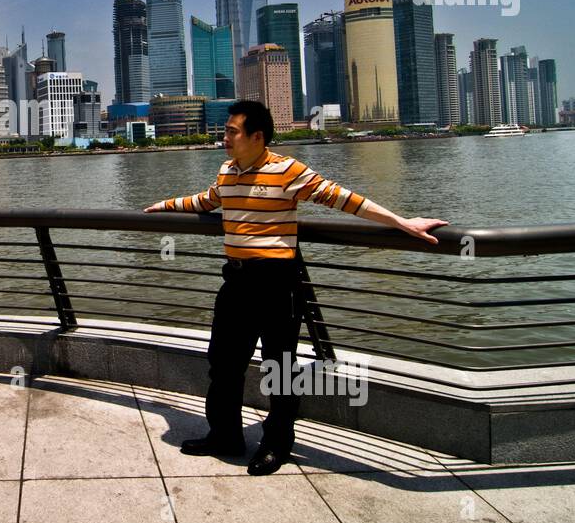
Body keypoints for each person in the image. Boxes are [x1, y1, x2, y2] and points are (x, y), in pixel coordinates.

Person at [144, 100, 447, 474]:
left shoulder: (288, 171)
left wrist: (401, 222)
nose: (224, 137)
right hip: (235, 280)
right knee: (223, 364)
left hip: (276, 282)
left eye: (231, 131)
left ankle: (276, 444)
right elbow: (207, 201)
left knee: (279, 366)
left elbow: (344, 200)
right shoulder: (228, 171)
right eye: (225, 130)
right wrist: (166, 205)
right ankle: (225, 434)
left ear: (257, 136)